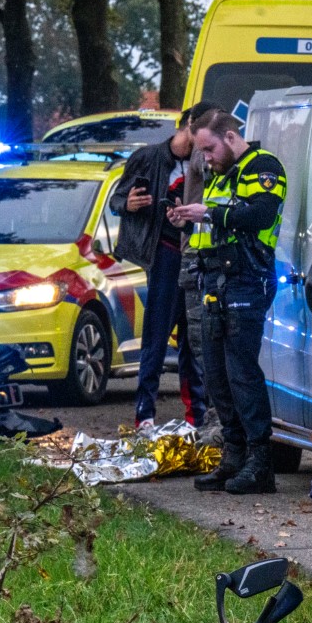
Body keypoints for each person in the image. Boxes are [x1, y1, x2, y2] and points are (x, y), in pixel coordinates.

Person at [170, 110, 286, 495]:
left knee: (241, 373)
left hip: (246, 281)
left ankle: (260, 463)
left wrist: (210, 212)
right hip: (214, 281)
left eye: (209, 148)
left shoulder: (263, 166)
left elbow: (260, 213)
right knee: (217, 375)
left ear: (231, 137)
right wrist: (186, 220)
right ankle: (233, 457)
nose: (205, 158)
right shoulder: (219, 174)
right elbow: (214, 225)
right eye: (201, 152)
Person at [110, 105, 219, 428]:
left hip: (197, 256)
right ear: (187, 125)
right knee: (156, 337)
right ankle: (145, 415)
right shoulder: (149, 158)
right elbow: (117, 199)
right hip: (163, 254)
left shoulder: (206, 161)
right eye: (201, 132)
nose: (205, 142)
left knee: (193, 339)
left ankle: (197, 417)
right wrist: (128, 204)